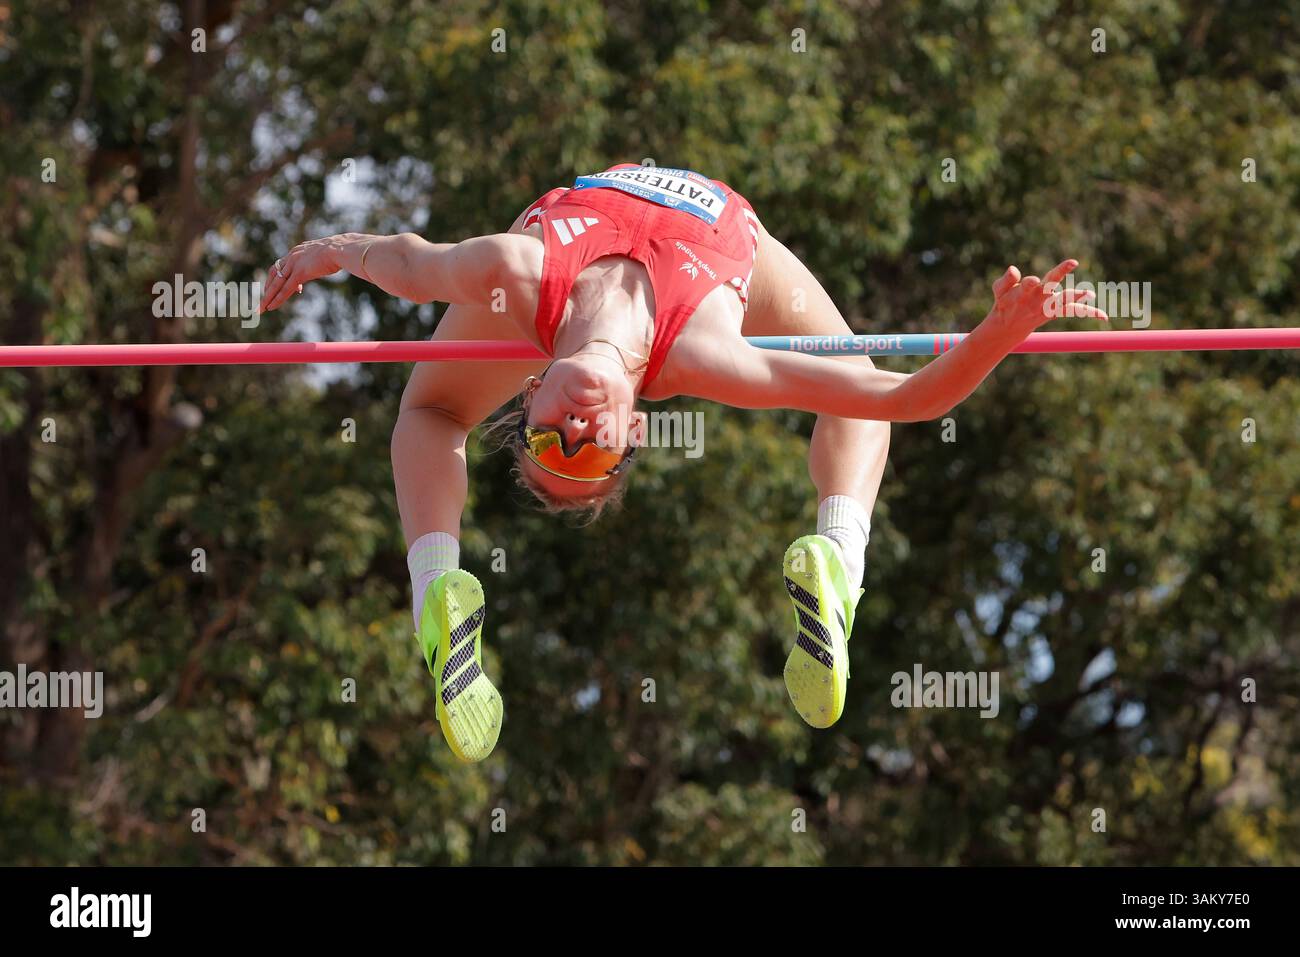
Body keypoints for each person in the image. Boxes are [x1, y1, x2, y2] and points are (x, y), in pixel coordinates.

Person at [261, 163, 1105, 762]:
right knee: (851, 391)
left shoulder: (515, 277)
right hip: (722, 239)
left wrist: (331, 247)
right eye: (592, 451)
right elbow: (900, 398)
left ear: (531, 390)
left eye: (550, 438)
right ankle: (837, 573)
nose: (576, 430)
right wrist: (997, 334)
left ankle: (435, 592)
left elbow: (406, 259)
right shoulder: (702, 353)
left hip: (584, 263)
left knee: (431, 408)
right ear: (635, 430)